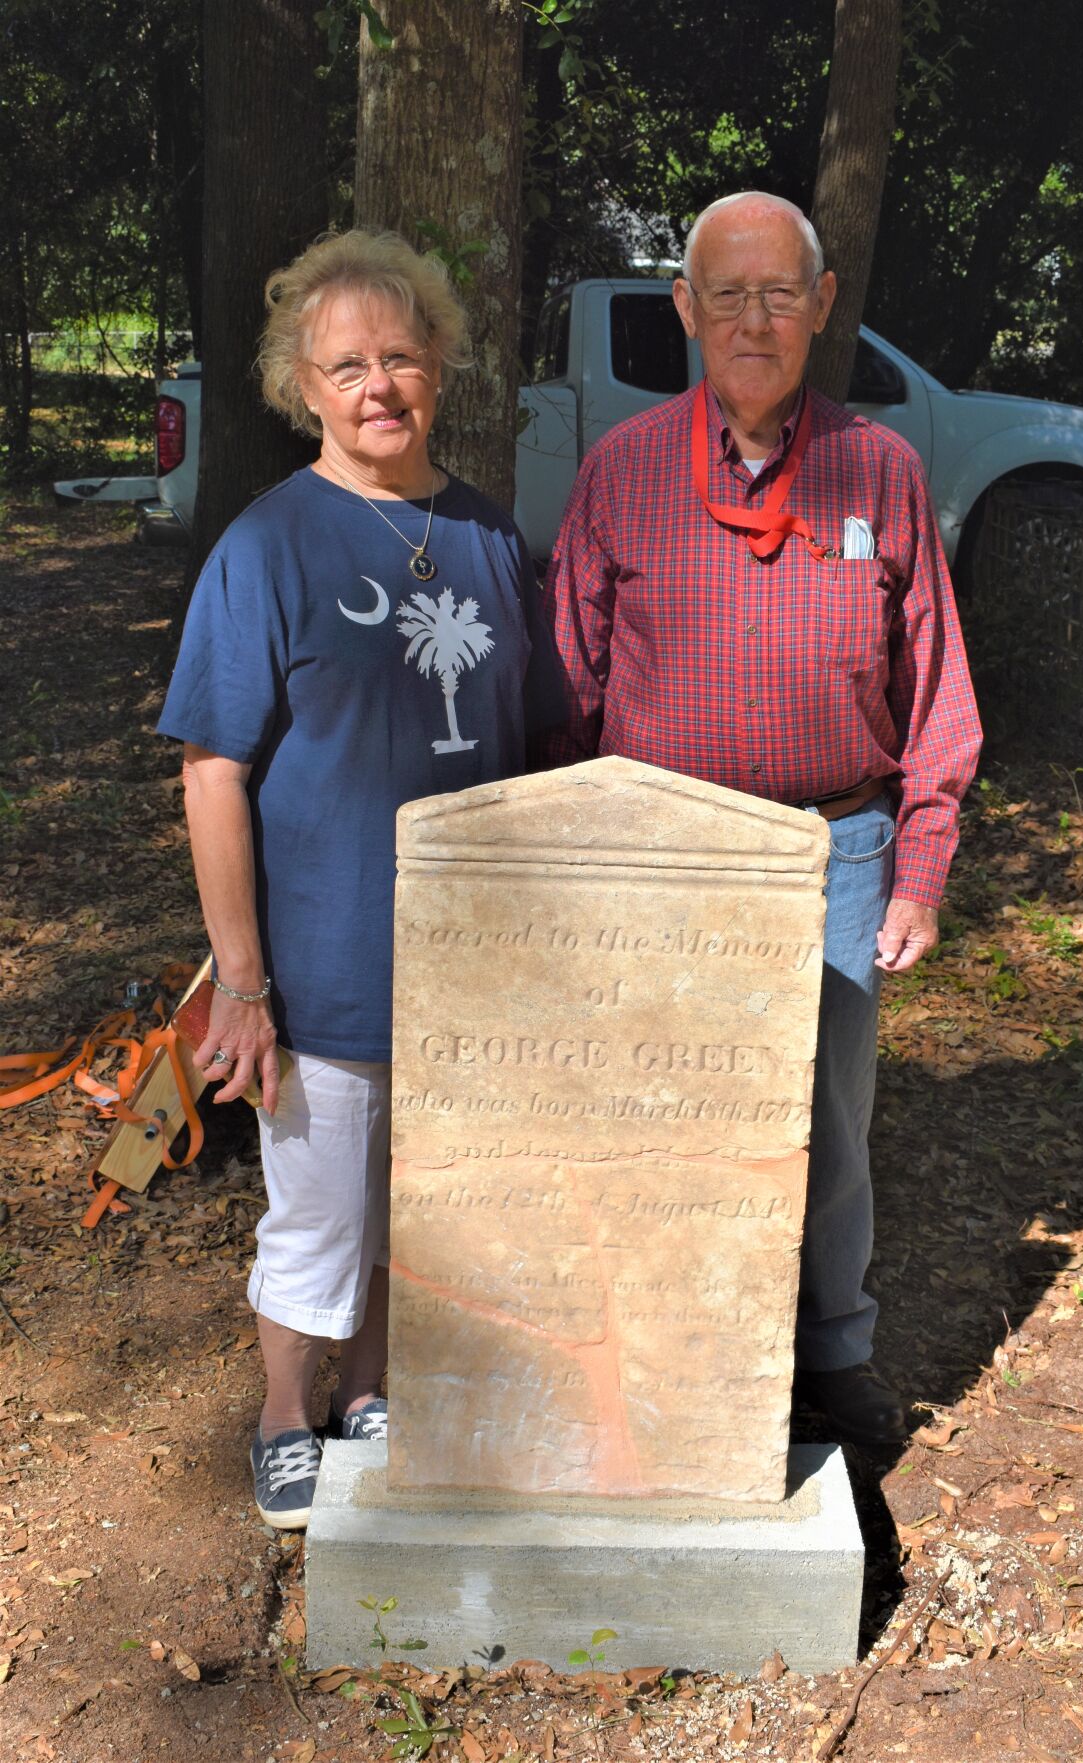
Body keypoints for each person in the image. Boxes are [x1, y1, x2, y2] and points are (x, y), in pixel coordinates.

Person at [539, 191, 982, 1447]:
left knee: (824, 1123)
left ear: (821, 304)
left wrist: (919, 869)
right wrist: (564, 862)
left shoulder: (881, 473)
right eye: (723, 293)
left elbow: (937, 683)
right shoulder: (619, 475)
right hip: (658, 852)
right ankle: (661, 1344)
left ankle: (828, 1351)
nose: (751, 318)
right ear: (682, 310)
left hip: (830, 850)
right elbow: (564, 682)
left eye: (777, 291)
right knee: (653, 1111)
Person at [158, 229, 562, 1525]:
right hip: (322, 970)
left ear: (438, 362)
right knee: (319, 1209)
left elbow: (534, 732)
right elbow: (212, 768)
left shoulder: (491, 535)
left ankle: (372, 1389)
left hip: (467, 972)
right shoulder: (267, 546)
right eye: (346, 364)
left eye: (399, 354)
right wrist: (240, 979)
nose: (377, 384)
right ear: (303, 385)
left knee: (418, 1208)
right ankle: (287, 1412)